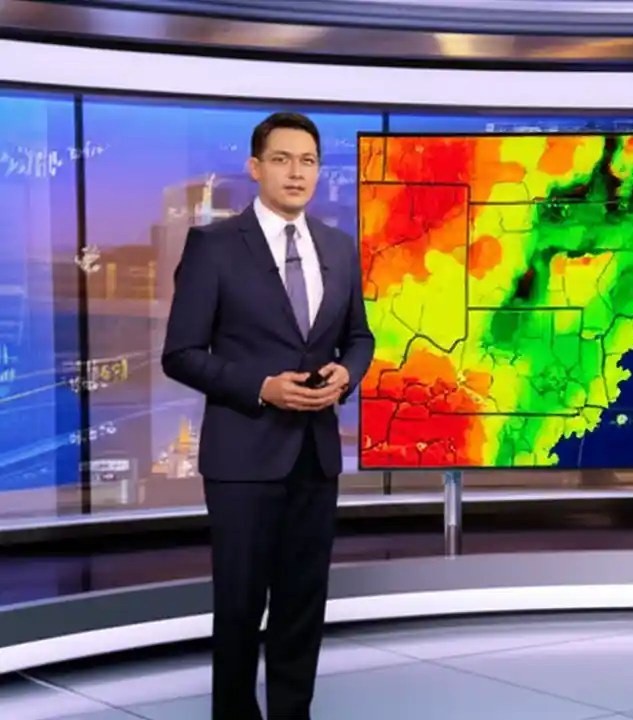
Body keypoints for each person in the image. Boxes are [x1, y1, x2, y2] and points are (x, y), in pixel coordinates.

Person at [161, 111, 373, 719]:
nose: (296, 172)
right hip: (243, 459)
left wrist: (346, 373)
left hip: (314, 457)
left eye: (307, 161)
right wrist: (262, 388)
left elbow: (359, 337)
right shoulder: (214, 246)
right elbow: (180, 354)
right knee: (239, 605)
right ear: (255, 168)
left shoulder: (338, 246)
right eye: (282, 159)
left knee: (303, 604)